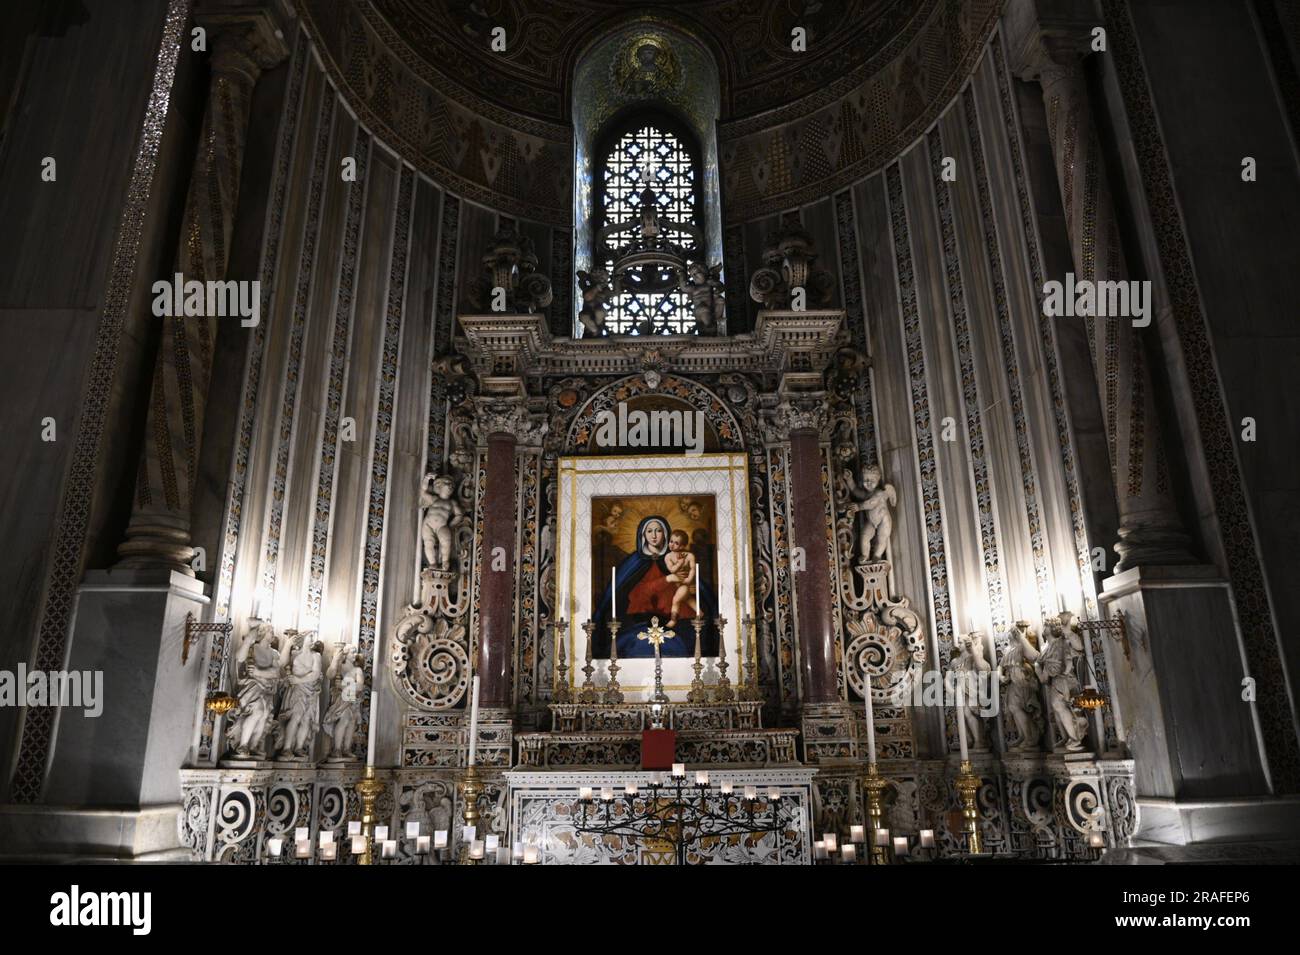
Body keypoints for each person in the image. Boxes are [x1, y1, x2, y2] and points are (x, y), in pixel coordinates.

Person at [594, 515, 716, 658]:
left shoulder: (675, 559)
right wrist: (668, 579)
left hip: (676, 625)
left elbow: (695, 589)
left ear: (665, 534)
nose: (653, 535)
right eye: (649, 531)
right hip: (638, 624)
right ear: (643, 535)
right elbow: (635, 594)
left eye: (658, 531)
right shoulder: (634, 563)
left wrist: (693, 589)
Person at [663, 529, 697, 628]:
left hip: (686, 584)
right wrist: (680, 563)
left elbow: (693, 569)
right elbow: (672, 570)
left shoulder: (690, 555)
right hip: (674, 585)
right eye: (671, 541)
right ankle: (700, 613)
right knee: (687, 599)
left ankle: (673, 620)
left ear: (682, 546)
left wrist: (689, 579)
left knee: (676, 600)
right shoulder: (668, 556)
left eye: (676, 543)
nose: (672, 545)